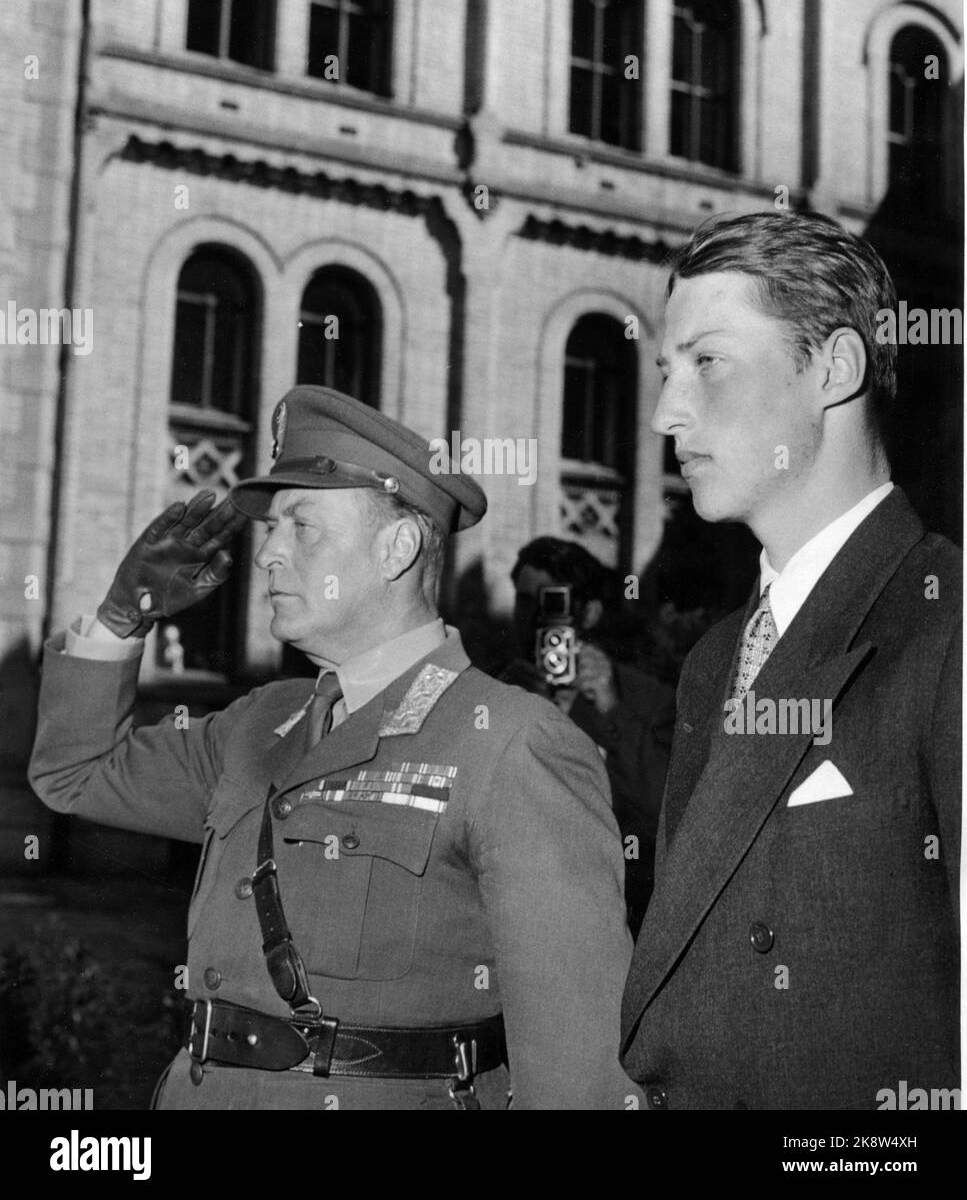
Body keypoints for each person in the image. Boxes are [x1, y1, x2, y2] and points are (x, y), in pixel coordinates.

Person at [30, 386, 638, 1110]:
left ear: (397, 547)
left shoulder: (511, 742)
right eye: (271, 528)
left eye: (303, 527)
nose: (270, 555)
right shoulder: (263, 721)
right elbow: (75, 774)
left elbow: (576, 1069)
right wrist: (121, 620)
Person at [621, 211, 961, 1111]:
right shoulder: (714, 659)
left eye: (707, 363)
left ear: (833, 370)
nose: (665, 413)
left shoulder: (946, 623)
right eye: (665, 372)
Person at [503, 537, 675, 933]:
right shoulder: (494, 687)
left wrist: (610, 708)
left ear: (589, 613)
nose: (533, 620)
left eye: (551, 604)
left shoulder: (644, 700)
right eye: (524, 601)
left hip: (601, 914)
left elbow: (664, 813)